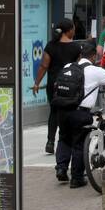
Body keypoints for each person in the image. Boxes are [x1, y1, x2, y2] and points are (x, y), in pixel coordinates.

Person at [57, 40, 105, 188]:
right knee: (79, 144)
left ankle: (61, 168)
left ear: (80, 55)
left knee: (64, 139)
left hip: (62, 110)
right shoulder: (95, 71)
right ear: (93, 56)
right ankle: (76, 178)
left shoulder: (68, 66)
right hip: (80, 113)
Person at [33, 18, 82, 155]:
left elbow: (44, 66)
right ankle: (66, 141)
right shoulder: (76, 48)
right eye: (73, 28)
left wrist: (37, 83)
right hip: (71, 85)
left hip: (54, 85)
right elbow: (78, 68)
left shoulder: (51, 46)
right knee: (69, 112)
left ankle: (50, 141)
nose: (74, 31)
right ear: (69, 30)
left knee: (54, 112)